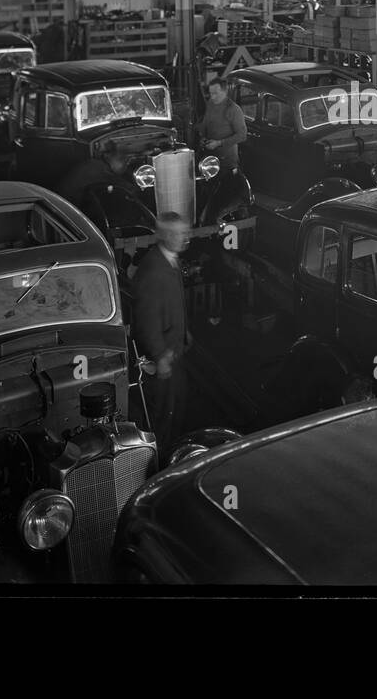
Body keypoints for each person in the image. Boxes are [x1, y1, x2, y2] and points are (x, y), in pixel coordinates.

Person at [130, 213, 193, 448]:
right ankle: (162, 461)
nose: (184, 238)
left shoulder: (169, 259)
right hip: (164, 356)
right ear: (164, 234)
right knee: (165, 412)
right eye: (178, 233)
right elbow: (147, 319)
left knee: (178, 402)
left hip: (174, 349)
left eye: (186, 232)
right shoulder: (154, 270)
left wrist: (185, 332)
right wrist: (159, 355)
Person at [56, 138, 131, 209]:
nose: (125, 164)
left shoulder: (95, 164)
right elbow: (118, 183)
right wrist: (135, 190)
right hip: (68, 207)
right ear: (108, 157)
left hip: (66, 201)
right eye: (121, 160)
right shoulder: (98, 169)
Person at [196, 78, 247, 169]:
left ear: (225, 92)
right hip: (209, 159)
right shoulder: (210, 104)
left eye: (215, 93)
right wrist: (202, 137)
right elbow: (206, 122)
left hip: (227, 161)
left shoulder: (234, 110)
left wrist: (219, 143)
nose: (212, 97)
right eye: (210, 93)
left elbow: (242, 135)